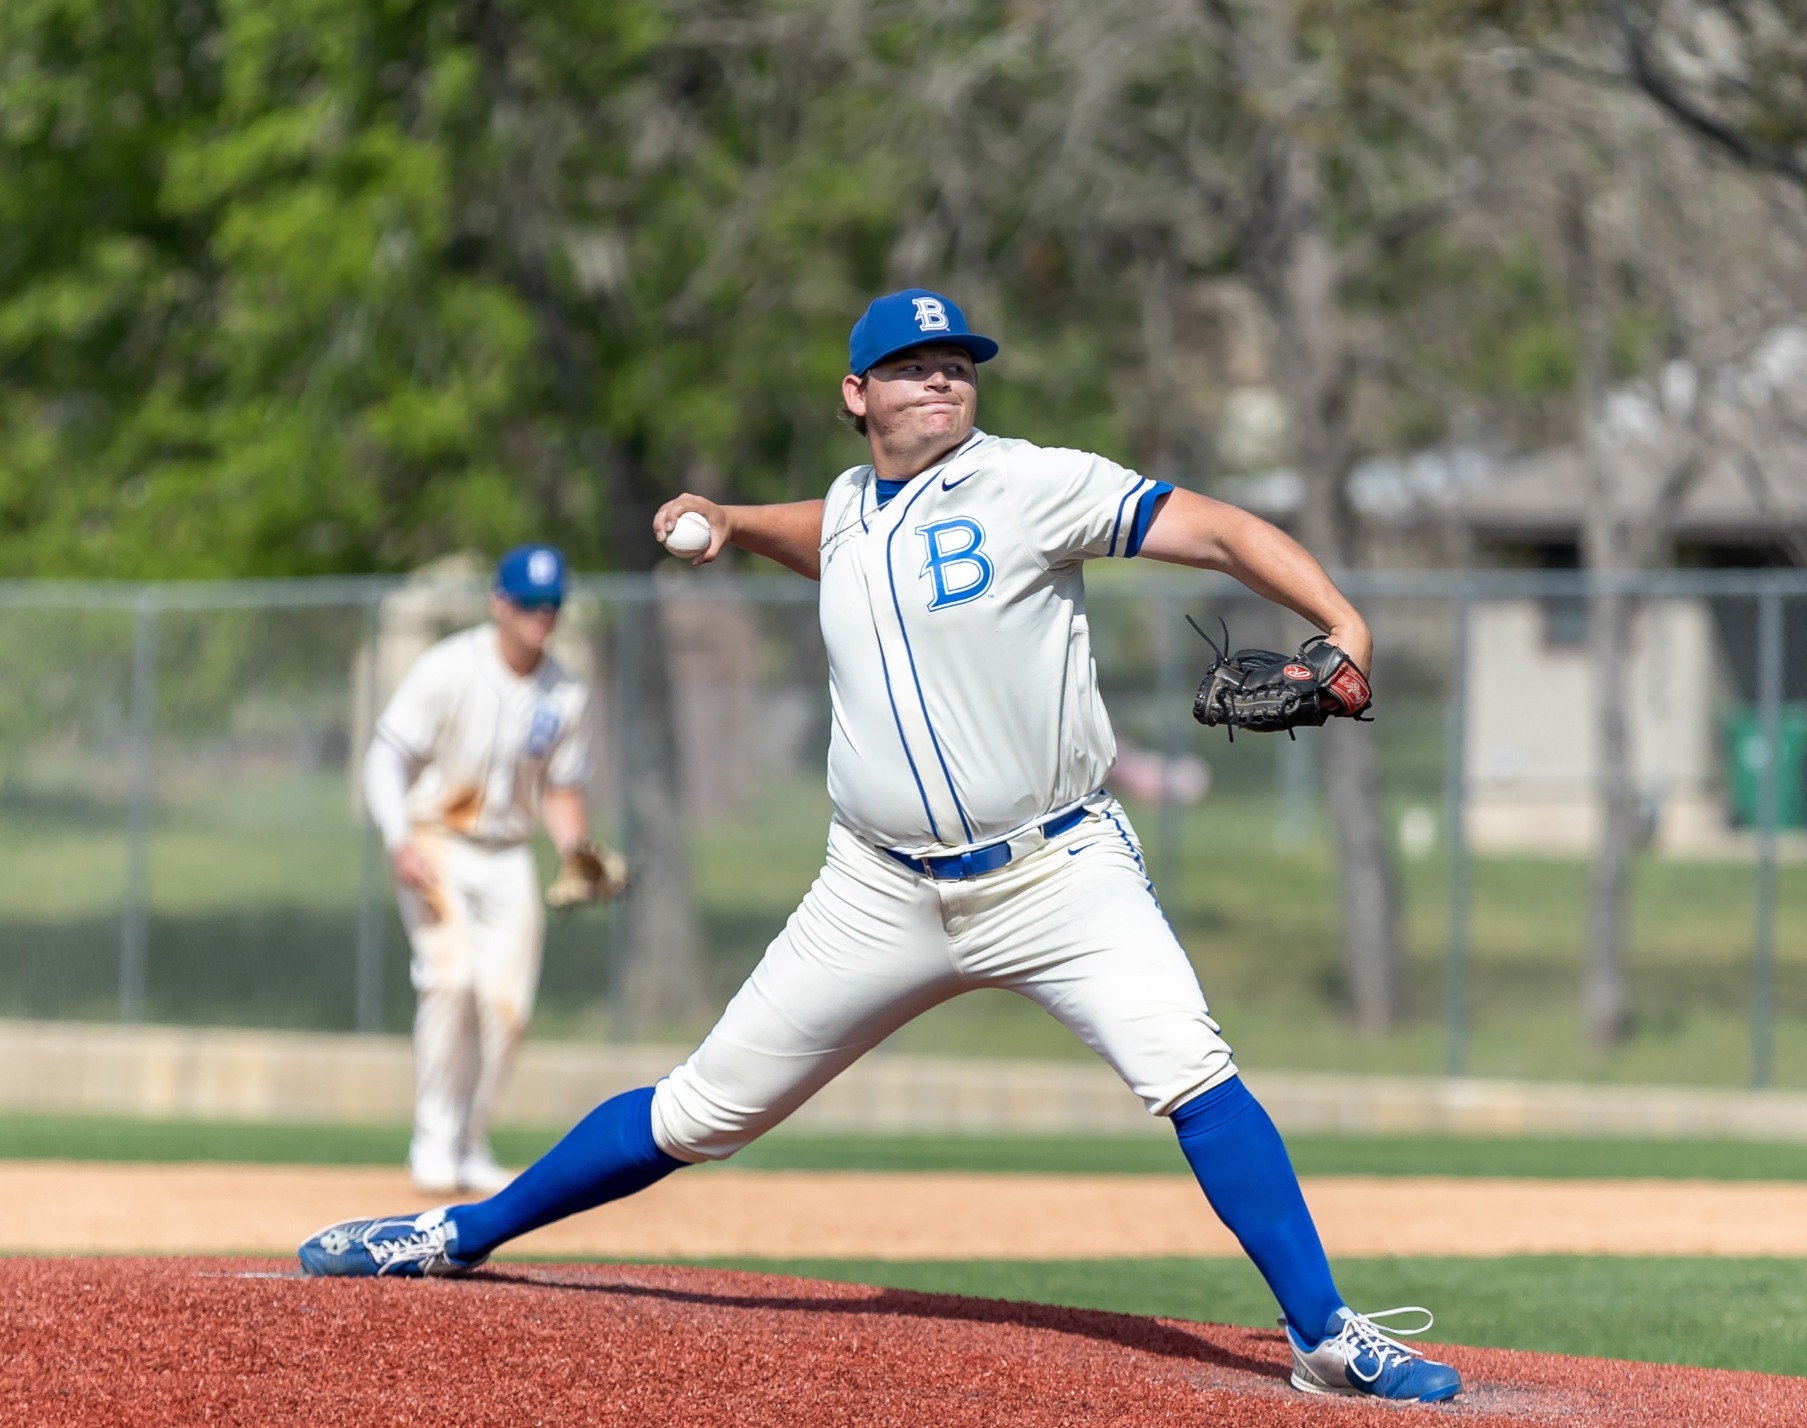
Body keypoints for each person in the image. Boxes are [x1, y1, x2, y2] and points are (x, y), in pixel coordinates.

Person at [303, 290, 1462, 1404]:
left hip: (1059, 871)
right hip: (876, 889)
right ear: (856, 393)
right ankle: (454, 1233)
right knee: (701, 1113)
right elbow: (840, 539)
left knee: (1193, 1073)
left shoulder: (1032, 483)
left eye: (955, 361)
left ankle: (1323, 1337)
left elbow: (1213, 528)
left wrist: (1340, 623)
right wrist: (737, 524)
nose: (941, 377)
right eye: (912, 365)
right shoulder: (855, 505)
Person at [360, 544, 596, 1196]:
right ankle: (432, 1141)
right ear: (499, 602)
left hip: (508, 854)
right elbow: (386, 758)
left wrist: (577, 853)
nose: (540, 617)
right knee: (449, 978)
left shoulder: (565, 692)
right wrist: (397, 836)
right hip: (436, 840)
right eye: (528, 604)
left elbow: (561, 786)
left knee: (507, 1005)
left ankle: (471, 1139)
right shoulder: (448, 669)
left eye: (551, 607)